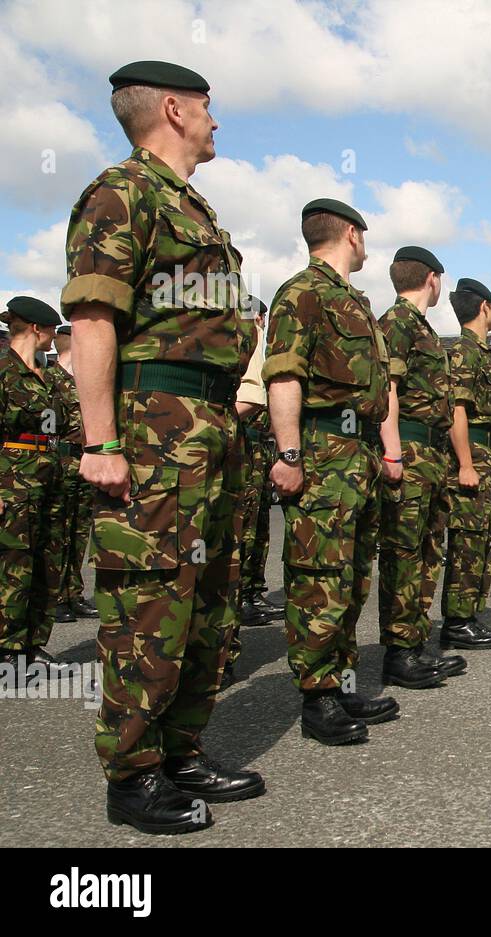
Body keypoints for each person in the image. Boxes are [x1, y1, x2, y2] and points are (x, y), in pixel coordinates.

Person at [63, 61, 264, 834]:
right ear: (174, 109)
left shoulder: (194, 208)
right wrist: (101, 440)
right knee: (149, 599)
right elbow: (91, 319)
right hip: (154, 427)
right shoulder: (122, 192)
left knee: (207, 598)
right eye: (210, 109)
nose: (218, 122)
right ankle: (134, 775)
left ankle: (183, 751)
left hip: (211, 427)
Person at [265, 197, 398, 745]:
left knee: (352, 575)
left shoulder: (356, 302)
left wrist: (385, 454)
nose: (366, 244)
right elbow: (285, 376)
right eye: (364, 235)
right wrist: (290, 454)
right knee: (319, 576)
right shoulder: (303, 293)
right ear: (350, 233)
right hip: (321, 450)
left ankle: (341, 684)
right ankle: (317, 699)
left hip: (359, 452)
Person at [375, 246, 465, 687]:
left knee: (427, 550)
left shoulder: (420, 327)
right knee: (403, 552)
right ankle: (398, 652)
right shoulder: (396, 324)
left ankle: (415, 641)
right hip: (409, 451)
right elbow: (386, 389)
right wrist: (391, 452)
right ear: (432, 278)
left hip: (431, 455)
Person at [439, 278, 491, 646]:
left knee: (481, 540)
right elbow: (457, 409)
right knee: (467, 542)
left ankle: (470, 613)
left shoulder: (482, 353)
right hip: (475, 455)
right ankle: (456, 622)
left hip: (489, 455)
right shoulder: (465, 352)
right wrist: (465, 464)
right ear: (484, 307)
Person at [0, 297, 69, 674]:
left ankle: (33, 644)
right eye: (52, 331)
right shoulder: (4, 369)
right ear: (37, 329)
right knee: (14, 562)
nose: (54, 340)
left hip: (48, 472)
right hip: (13, 475)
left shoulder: (46, 373)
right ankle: (8, 647)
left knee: (47, 557)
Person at [222, 296, 271, 691]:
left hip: (250, 448)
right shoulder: (244, 339)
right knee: (231, 544)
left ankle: (220, 652)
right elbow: (251, 398)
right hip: (230, 446)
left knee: (250, 536)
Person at [47, 325, 98, 623]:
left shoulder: (84, 380)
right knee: (59, 533)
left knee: (79, 532)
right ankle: (54, 597)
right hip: (62, 460)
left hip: (84, 461)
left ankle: (73, 594)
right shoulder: (51, 379)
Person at [236, 302, 282, 629]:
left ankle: (253, 591)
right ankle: (240, 595)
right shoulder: (244, 349)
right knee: (247, 525)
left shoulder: (260, 355)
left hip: (260, 448)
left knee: (261, 523)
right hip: (245, 444)